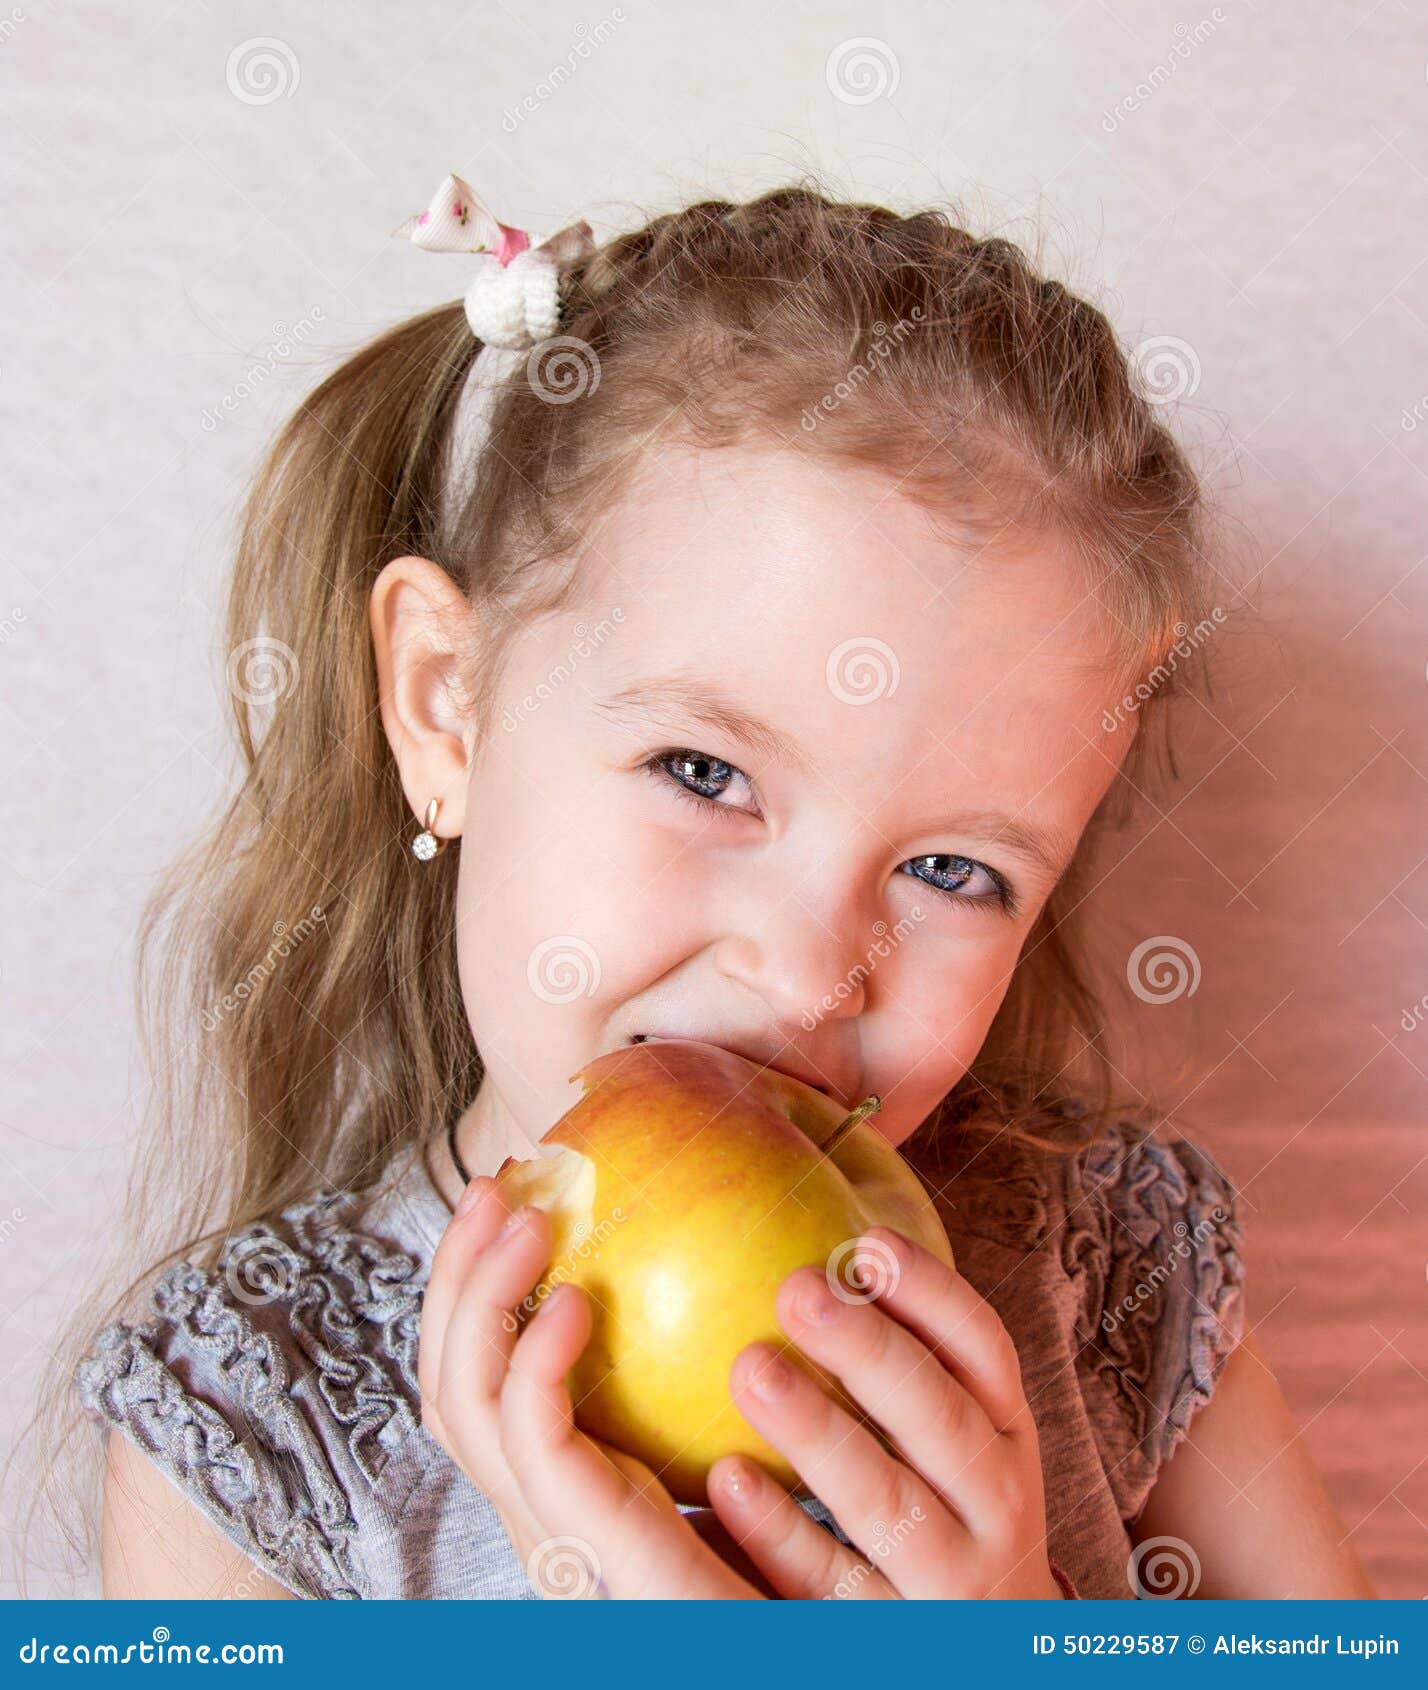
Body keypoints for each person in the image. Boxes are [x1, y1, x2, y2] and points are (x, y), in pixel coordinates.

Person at [51, 173, 1375, 1599]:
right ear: (447, 706)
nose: (813, 970)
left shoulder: (1109, 1274)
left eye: (950, 869)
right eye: (703, 773)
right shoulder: (259, 1420)